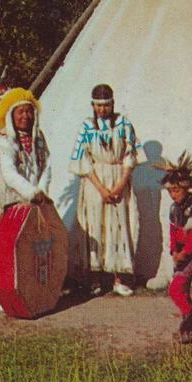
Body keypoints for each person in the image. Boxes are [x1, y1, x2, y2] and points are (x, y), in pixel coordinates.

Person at [69, 84, 143, 296]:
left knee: (118, 225)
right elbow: (83, 159)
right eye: (99, 105)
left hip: (118, 177)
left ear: (113, 104)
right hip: (95, 181)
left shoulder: (124, 123)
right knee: (95, 225)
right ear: (93, 105)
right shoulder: (86, 126)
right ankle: (95, 279)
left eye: (107, 105)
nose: (103, 109)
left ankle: (118, 278)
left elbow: (130, 155)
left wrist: (120, 184)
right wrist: (101, 188)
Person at [0, 87, 51, 306]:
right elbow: (9, 172)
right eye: (20, 112)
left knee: (27, 251)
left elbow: (46, 165)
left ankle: (26, 295)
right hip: (7, 203)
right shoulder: (3, 141)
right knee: (2, 251)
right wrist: (31, 192)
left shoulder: (38, 138)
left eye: (29, 111)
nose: (25, 116)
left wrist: (41, 191)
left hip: (31, 203)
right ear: (11, 115)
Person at [156, 151, 192, 343]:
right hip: (180, 254)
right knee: (181, 289)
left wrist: (184, 252)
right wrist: (174, 251)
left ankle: (189, 319)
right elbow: (173, 231)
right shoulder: (174, 208)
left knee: (175, 289)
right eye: (170, 191)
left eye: (177, 191)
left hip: (191, 254)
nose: (173, 195)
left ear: (186, 188)